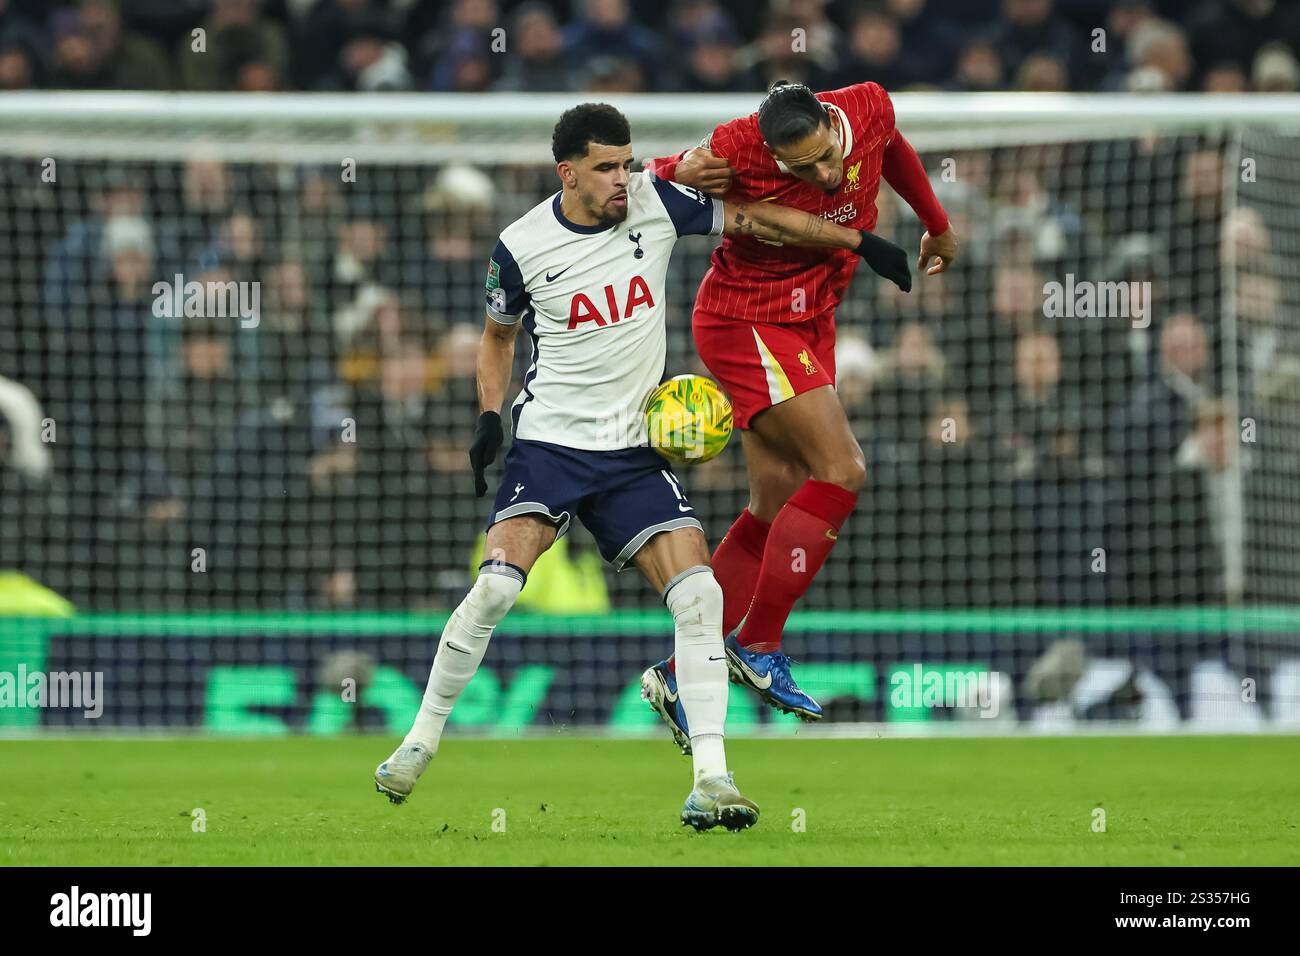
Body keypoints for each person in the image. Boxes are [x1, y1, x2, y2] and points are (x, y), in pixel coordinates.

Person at [373, 102, 906, 830]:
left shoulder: (656, 203)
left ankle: (713, 780)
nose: (623, 178)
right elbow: (498, 338)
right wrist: (490, 416)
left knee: (701, 598)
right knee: (497, 588)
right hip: (552, 445)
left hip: (632, 453)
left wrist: (857, 240)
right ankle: (417, 745)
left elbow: (759, 220)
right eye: (605, 167)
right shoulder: (520, 244)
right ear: (568, 172)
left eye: (627, 162)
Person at [644, 80, 954, 727]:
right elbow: (657, 182)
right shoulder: (737, 147)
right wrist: (669, 167)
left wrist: (937, 225)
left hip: (814, 315)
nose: (822, 173)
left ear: (831, 124)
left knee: (776, 498)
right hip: (747, 318)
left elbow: (892, 147)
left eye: (824, 156)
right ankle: (757, 643)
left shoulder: (869, 105)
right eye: (802, 167)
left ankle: (679, 673)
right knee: (842, 469)